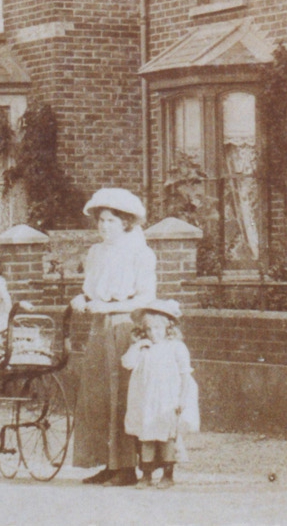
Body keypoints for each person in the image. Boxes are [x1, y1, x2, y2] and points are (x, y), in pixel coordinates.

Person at [71, 187, 156, 485]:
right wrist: (82, 298)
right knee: (98, 395)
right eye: (101, 220)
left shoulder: (140, 253)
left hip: (125, 328)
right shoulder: (96, 253)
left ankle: (127, 467)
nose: (104, 226)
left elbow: (146, 298)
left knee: (123, 395)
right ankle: (108, 463)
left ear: (126, 223)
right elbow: (93, 289)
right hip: (100, 328)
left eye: (111, 221)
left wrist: (109, 307)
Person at [121, 298, 198, 489]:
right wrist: (137, 345)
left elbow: (185, 374)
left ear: (167, 328)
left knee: (166, 437)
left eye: (157, 328)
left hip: (167, 399)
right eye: (148, 329)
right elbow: (127, 363)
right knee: (146, 435)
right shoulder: (144, 348)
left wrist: (182, 398)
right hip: (145, 399)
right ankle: (146, 475)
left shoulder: (176, 347)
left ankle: (168, 475)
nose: (153, 333)